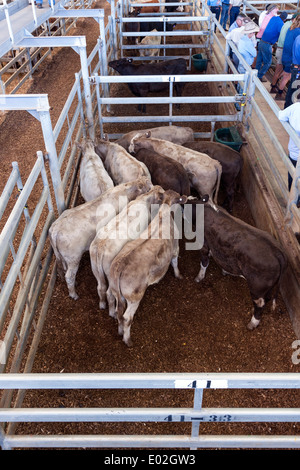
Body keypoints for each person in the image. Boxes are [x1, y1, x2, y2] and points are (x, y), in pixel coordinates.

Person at [278, 102, 300, 207]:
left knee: (293, 177)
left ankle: (294, 202)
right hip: (295, 154)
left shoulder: (296, 107)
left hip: (295, 155)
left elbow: (281, 115)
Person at [275, 13, 300, 100]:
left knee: (286, 73)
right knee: (287, 77)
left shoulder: (291, 28)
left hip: (285, 55)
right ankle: (279, 93)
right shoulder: (298, 32)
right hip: (291, 58)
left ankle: (276, 80)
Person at [255, 7, 284, 82]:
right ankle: (260, 75)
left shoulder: (274, 18)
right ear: (284, 19)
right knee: (268, 62)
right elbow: (281, 33)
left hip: (262, 41)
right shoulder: (281, 23)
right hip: (267, 44)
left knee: (259, 59)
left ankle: (256, 74)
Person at [270, 12, 292, 93]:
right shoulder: (290, 27)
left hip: (279, 48)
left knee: (279, 70)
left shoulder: (286, 24)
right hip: (283, 49)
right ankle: (273, 86)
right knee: (279, 70)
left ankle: (274, 84)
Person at [284, 34, 300, 108]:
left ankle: (286, 107)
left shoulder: (298, 37)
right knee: (296, 92)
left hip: (295, 67)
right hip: (298, 69)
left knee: (292, 88)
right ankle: (291, 110)